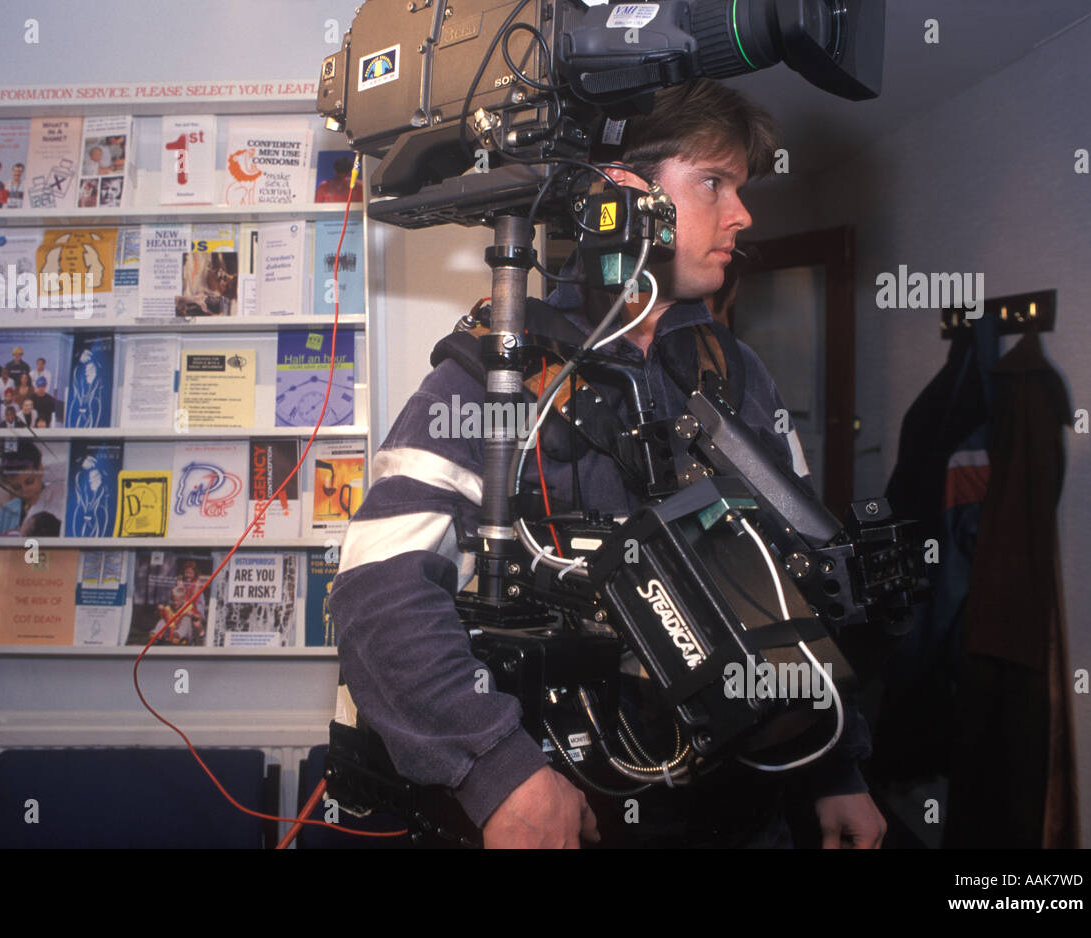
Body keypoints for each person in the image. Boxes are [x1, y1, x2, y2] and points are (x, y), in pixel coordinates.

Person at [328, 80, 886, 849]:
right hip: (571, 805)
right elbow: (376, 589)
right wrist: (497, 772)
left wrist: (833, 770)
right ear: (623, 193)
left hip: (739, 806)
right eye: (713, 184)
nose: (743, 215)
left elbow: (786, 577)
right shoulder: (498, 372)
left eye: (740, 189)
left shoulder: (738, 371)